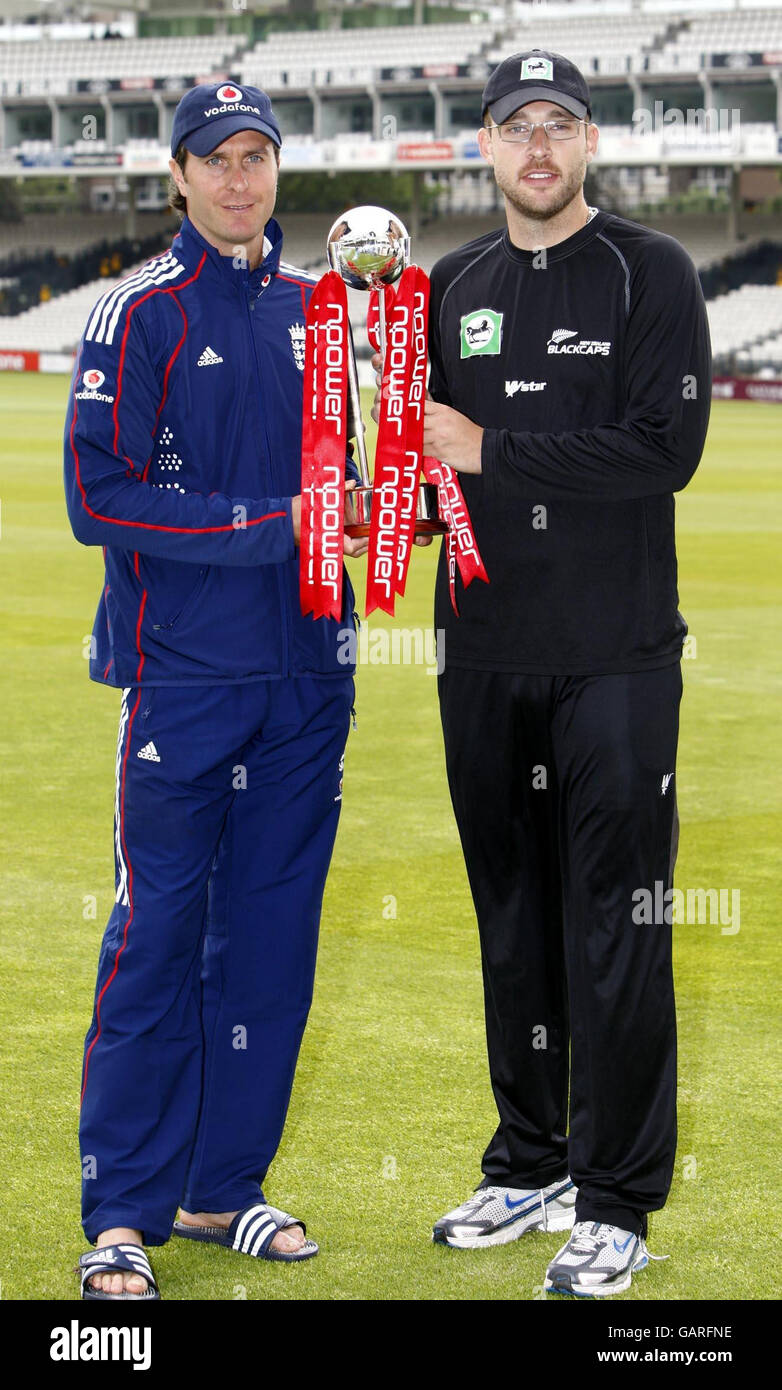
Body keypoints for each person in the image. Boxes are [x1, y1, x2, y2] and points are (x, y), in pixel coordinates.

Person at [414, 49, 710, 1296]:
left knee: (618, 929)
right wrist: (387, 491)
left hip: (613, 659)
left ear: (588, 143)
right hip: (481, 652)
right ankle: (528, 1158)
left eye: (559, 125)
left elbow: (664, 447)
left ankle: (615, 1199)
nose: (536, 147)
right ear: (482, 147)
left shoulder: (652, 271)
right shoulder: (446, 284)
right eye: (512, 127)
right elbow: (428, 465)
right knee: (512, 922)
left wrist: (490, 447)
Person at [64, 81, 366, 1300]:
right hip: (184, 682)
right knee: (156, 941)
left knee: (273, 949)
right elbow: (101, 499)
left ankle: (220, 1188)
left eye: (258, 157)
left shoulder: (324, 308)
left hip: (306, 676)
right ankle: (123, 1211)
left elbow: (361, 473)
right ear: (176, 176)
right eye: (215, 160)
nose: (239, 179)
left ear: (278, 171)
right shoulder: (135, 311)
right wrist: (269, 526)